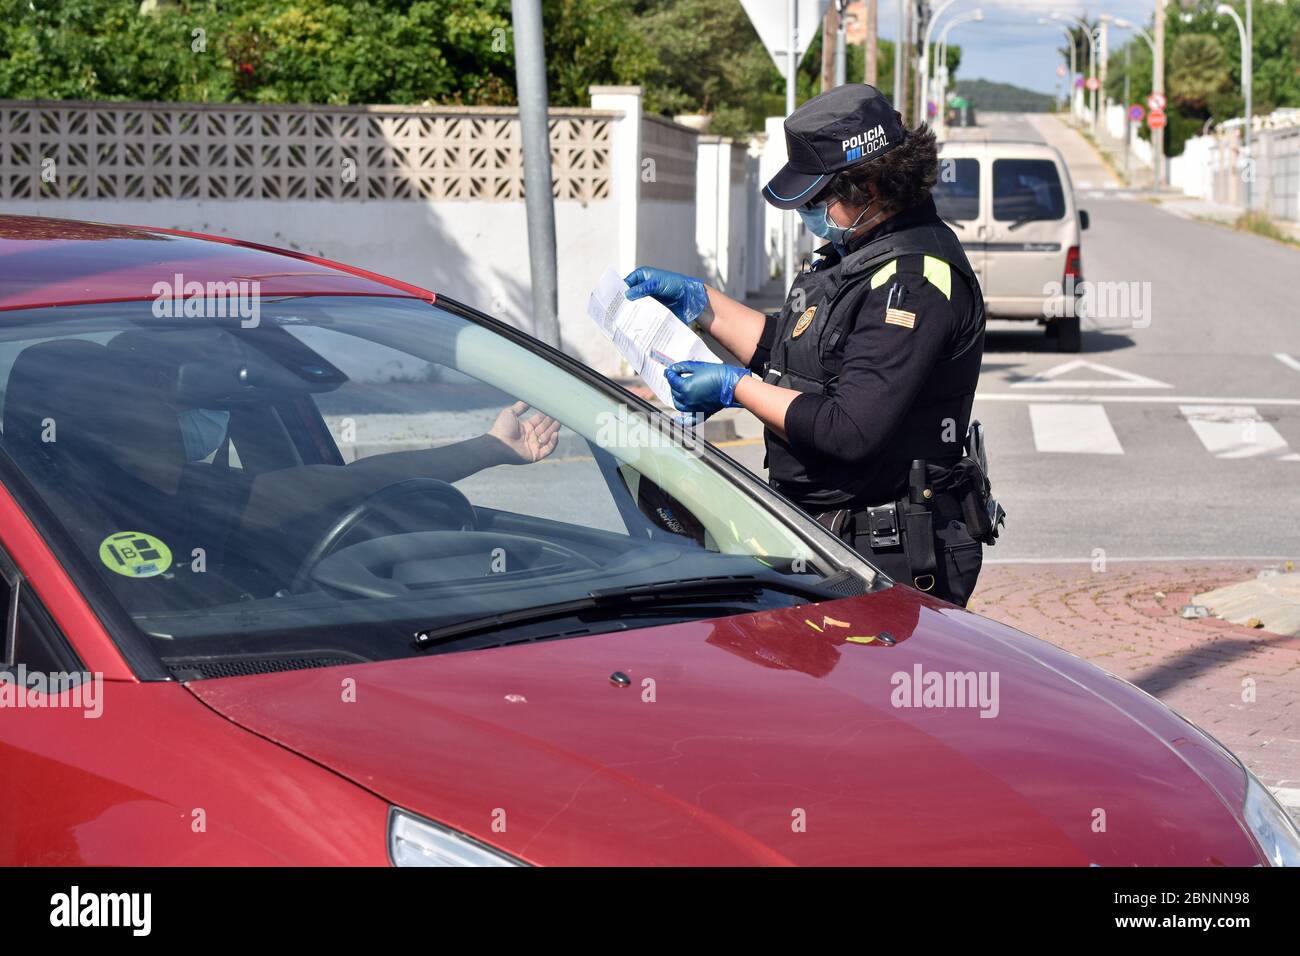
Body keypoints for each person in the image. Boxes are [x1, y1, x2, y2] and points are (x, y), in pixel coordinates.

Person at [625, 83, 998, 607]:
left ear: (866, 188)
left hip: (886, 553)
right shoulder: (861, 253)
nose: (809, 216)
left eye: (818, 200)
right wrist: (700, 303)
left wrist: (738, 389)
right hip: (832, 533)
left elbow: (849, 428)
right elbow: (798, 351)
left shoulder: (914, 280)